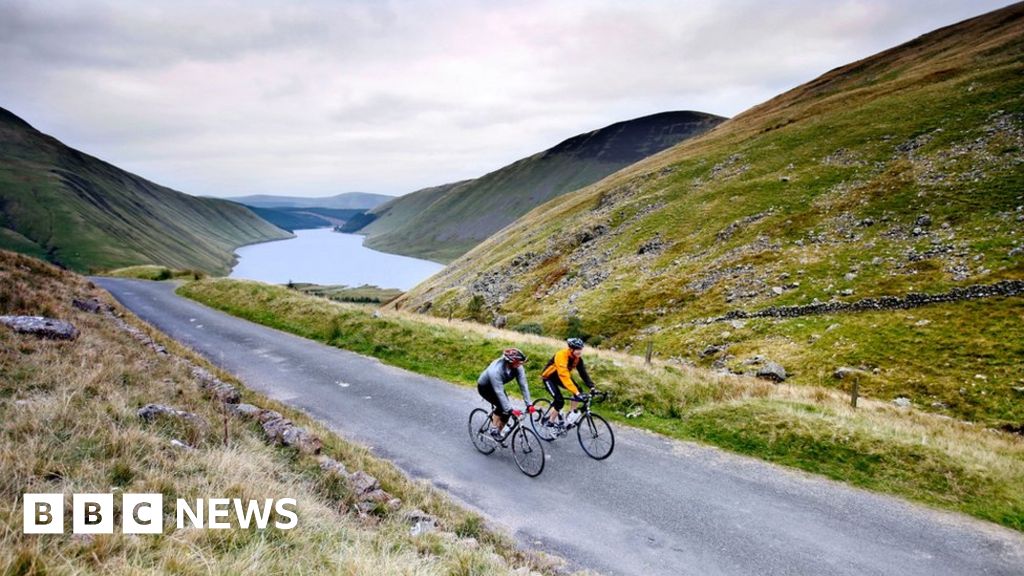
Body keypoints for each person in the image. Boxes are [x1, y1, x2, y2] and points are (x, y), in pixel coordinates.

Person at [541, 337, 599, 428]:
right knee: (560, 401)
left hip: (561, 377)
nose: (579, 351)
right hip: (549, 378)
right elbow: (564, 375)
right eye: (577, 349)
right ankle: (550, 421)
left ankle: (571, 414)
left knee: (578, 390)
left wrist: (592, 387)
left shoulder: (577, 359)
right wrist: (576, 392)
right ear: (571, 349)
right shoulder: (561, 355)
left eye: (580, 349)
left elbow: (583, 373)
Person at [477, 348, 535, 437]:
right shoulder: (496, 371)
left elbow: (523, 385)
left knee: (507, 412)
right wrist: (510, 410)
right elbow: (499, 392)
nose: (521, 364)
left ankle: (498, 434)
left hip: (497, 386)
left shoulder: (518, 367)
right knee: (502, 407)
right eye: (518, 361)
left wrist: (529, 404)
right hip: (485, 387)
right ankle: (493, 428)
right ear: (511, 361)